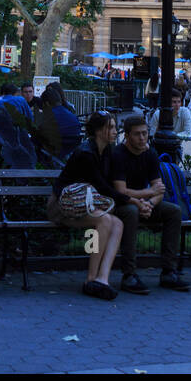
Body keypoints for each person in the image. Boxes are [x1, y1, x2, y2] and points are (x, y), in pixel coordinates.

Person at [49, 112, 126, 300]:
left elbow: (105, 185)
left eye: (115, 127)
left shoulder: (105, 150)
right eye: (111, 127)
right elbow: (101, 186)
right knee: (105, 220)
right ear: (99, 131)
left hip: (85, 206)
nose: (115, 131)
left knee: (117, 224)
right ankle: (90, 279)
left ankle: (103, 278)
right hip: (62, 207)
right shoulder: (86, 153)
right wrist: (132, 201)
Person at [110, 115, 190, 293]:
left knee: (173, 211)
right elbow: (121, 192)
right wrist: (146, 198)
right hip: (120, 205)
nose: (142, 138)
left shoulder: (150, 154)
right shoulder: (118, 155)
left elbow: (159, 190)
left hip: (144, 205)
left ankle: (169, 271)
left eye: (145, 133)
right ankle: (129, 274)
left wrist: (150, 205)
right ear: (127, 136)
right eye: (137, 134)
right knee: (130, 212)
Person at [36, 82, 82, 160]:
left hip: (53, 149)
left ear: (46, 104)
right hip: (70, 149)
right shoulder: (71, 114)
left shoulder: (47, 116)